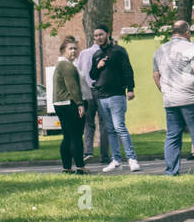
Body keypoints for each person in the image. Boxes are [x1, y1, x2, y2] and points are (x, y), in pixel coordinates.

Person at [151, 21, 194, 175]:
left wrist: (164, 91)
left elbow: (156, 75)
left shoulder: (160, 50)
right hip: (191, 99)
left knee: (172, 136)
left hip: (170, 99)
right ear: (187, 32)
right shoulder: (192, 48)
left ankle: (171, 171)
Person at [92, 26, 139, 171]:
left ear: (108, 34)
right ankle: (116, 160)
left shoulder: (119, 51)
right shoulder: (97, 55)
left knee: (120, 127)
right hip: (102, 97)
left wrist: (130, 89)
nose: (98, 37)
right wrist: (98, 66)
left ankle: (132, 159)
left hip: (117, 95)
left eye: (101, 34)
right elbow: (92, 75)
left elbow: (127, 71)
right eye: (95, 36)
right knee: (110, 129)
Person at [52, 36, 87, 173]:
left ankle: (66, 168)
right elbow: (73, 87)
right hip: (69, 103)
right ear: (63, 50)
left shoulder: (60, 65)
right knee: (76, 136)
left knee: (67, 136)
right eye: (70, 48)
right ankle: (80, 167)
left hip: (60, 103)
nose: (74, 51)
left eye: (75, 49)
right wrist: (80, 104)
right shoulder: (66, 66)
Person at [75, 39, 110, 165]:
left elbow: (78, 72)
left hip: (87, 91)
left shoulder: (84, 53)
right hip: (101, 91)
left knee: (88, 123)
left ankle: (88, 151)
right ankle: (104, 155)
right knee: (104, 123)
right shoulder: (106, 53)